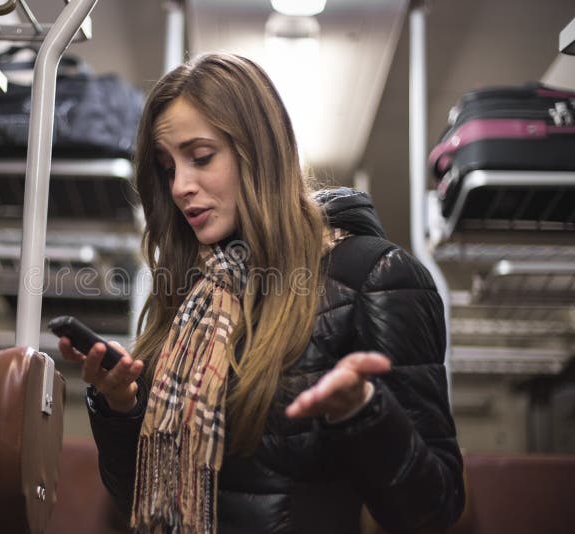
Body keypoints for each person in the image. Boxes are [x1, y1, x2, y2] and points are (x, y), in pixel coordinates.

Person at [59, 53, 464, 534]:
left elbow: (435, 509)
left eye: (201, 158)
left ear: (258, 151)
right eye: (168, 169)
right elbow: (139, 499)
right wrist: (120, 407)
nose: (181, 187)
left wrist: (366, 413)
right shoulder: (193, 292)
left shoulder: (376, 276)